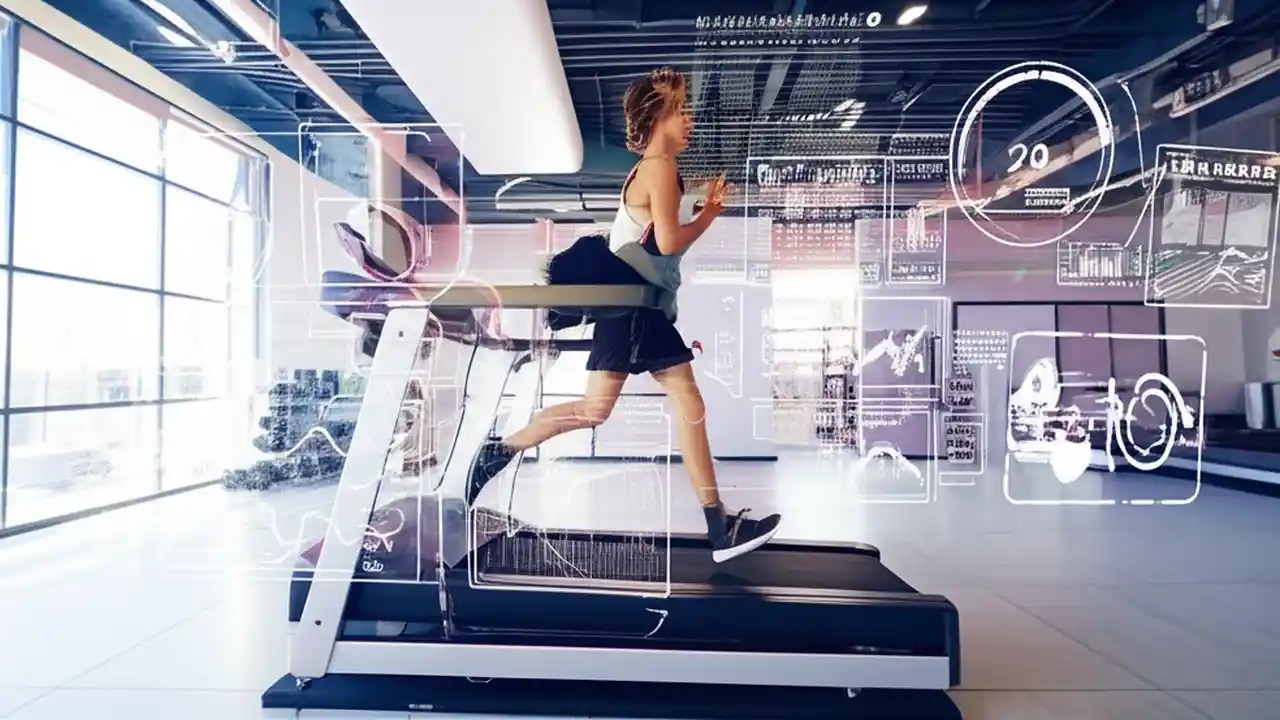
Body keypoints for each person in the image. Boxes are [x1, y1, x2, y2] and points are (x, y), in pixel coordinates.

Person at [466, 66, 782, 563]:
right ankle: (717, 526)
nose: (689, 118)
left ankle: (718, 524)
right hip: (632, 307)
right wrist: (710, 214)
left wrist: (699, 201)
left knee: (646, 406)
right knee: (641, 407)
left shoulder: (654, 170)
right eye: (681, 110)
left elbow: (658, 238)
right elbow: (670, 241)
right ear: (659, 116)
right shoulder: (657, 167)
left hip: (635, 306)